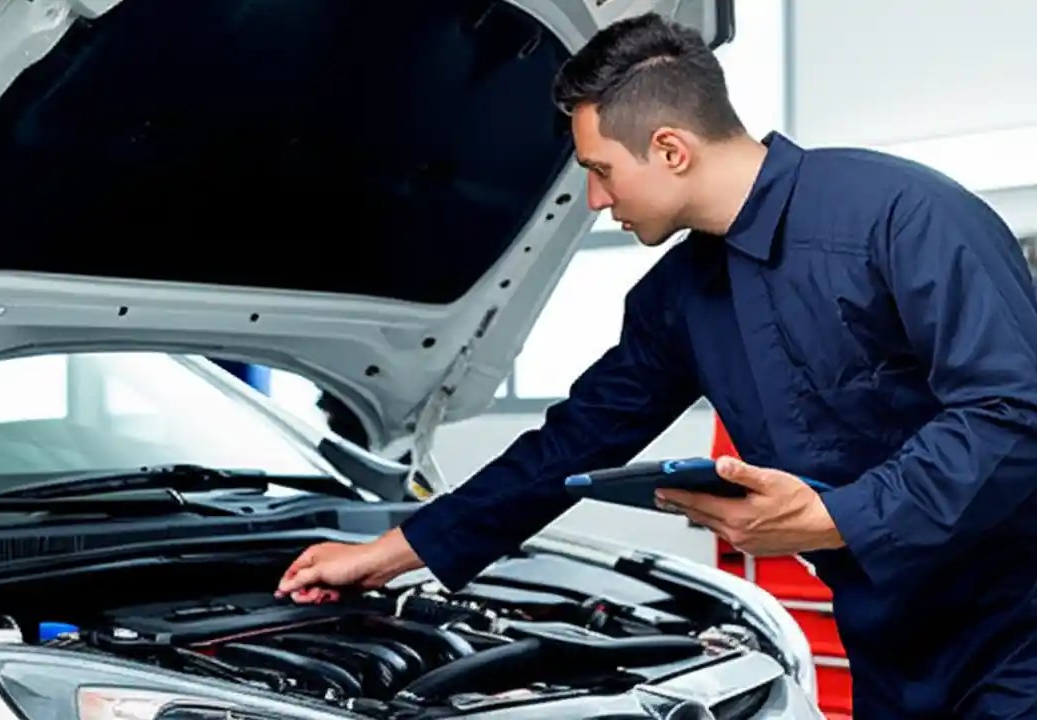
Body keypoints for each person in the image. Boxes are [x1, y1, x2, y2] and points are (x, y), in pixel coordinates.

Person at [276, 12, 1037, 718]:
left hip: (1018, 623)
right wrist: (391, 553)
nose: (598, 199)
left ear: (671, 148)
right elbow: (571, 446)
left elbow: (1012, 412)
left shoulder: (903, 215)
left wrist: (835, 516)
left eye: (601, 169)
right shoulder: (680, 298)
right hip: (890, 639)